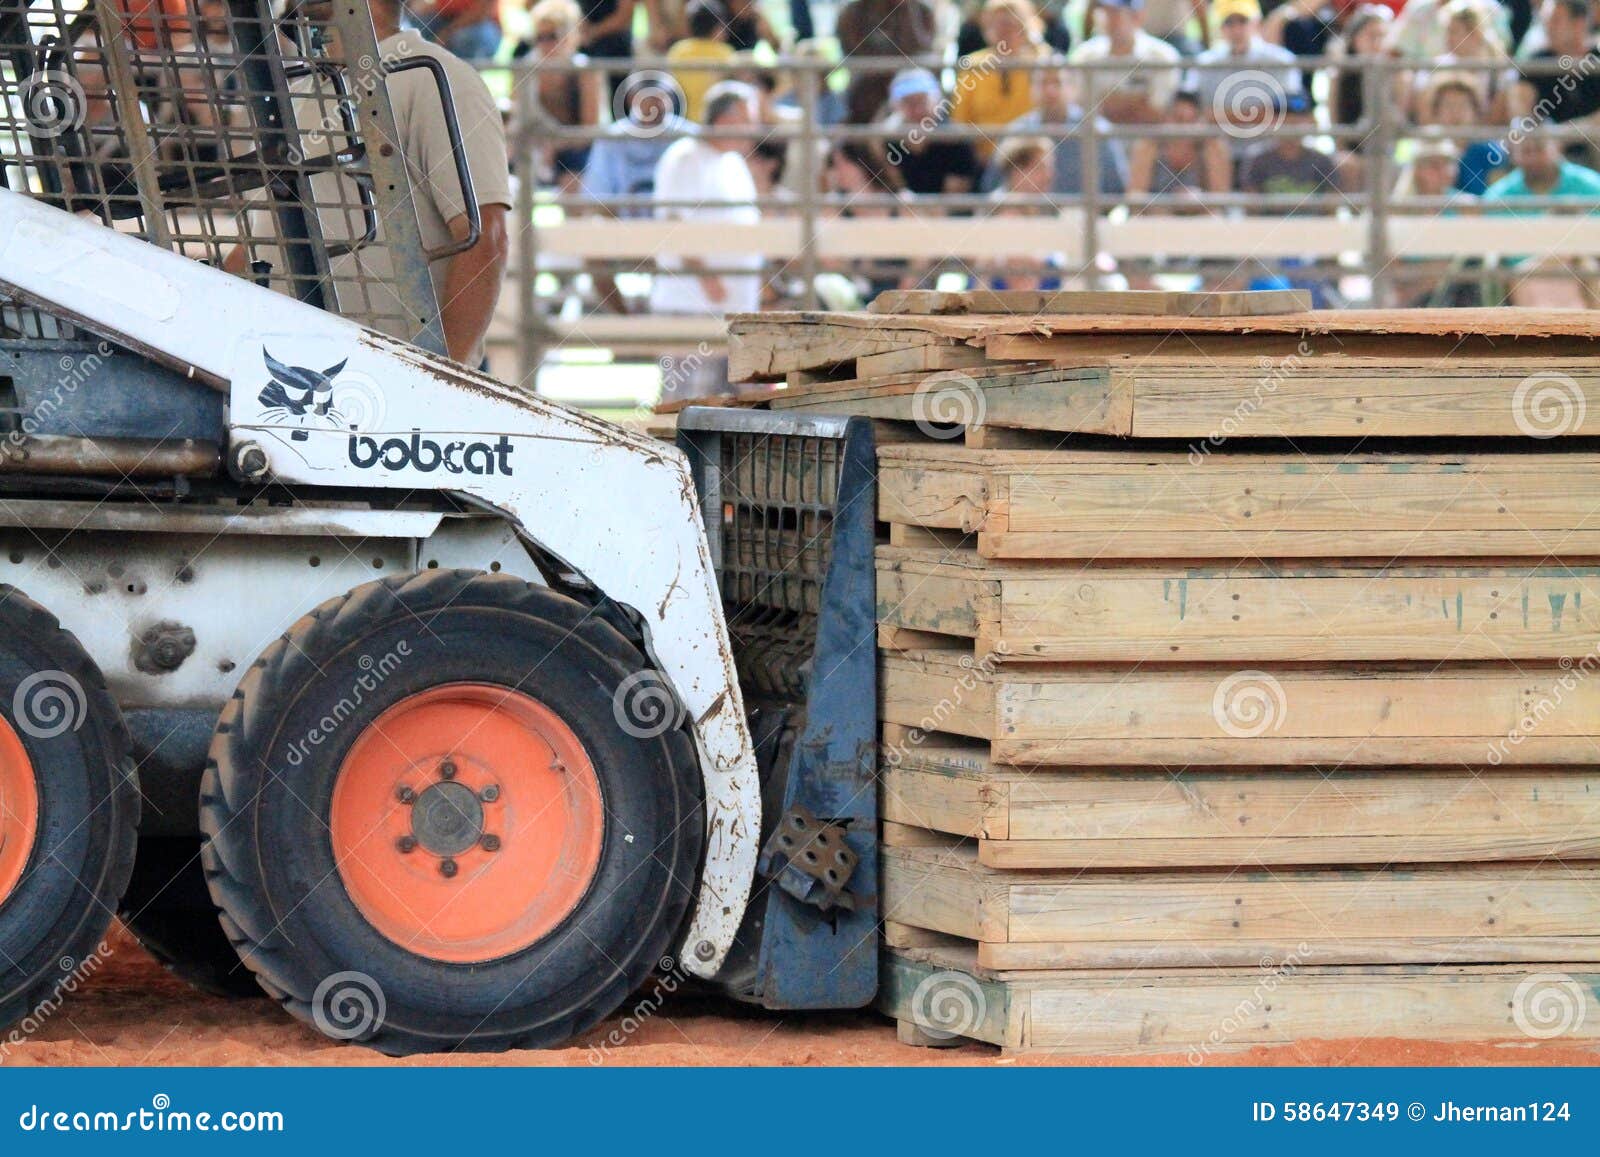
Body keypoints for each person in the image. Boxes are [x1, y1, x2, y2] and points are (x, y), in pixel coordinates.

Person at [229, 0, 511, 367]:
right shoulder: (295, 94)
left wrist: (445, 382)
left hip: (387, 383)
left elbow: (485, 240)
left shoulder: (435, 75)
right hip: (290, 380)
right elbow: (255, 246)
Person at [650, 82, 763, 319]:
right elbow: (674, 224)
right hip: (690, 305)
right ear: (724, 121)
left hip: (731, 309)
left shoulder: (734, 163)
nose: (754, 129)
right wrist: (708, 279)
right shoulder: (686, 158)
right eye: (748, 120)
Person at [1483, 131, 1600, 304]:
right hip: (1523, 277)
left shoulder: (1591, 185)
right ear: (1514, 155)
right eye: (1525, 151)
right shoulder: (1498, 196)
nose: (1533, 157)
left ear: (1557, 148)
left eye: (1539, 149)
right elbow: (1493, 248)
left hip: (1584, 269)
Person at [979, 60, 1129, 197]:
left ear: (1073, 88)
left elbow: (1116, 189)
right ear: (1032, 90)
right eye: (1043, 83)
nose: (1050, 91)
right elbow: (993, 187)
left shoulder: (1096, 131)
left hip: (1083, 220)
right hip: (1026, 220)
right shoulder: (1015, 132)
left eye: (1057, 83)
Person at [1185, 0, 1301, 144]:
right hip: (1220, 145)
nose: (1236, 30)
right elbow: (1193, 111)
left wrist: (1220, 117)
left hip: (1268, 145)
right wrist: (1257, 114)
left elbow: (1293, 108)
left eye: (1242, 21)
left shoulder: (1281, 60)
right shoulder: (1204, 63)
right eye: (1229, 23)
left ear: (1256, 22)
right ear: (1219, 27)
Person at [581, 74, 696, 214]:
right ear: (632, 99)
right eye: (649, 98)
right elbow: (597, 193)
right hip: (623, 226)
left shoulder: (688, 136)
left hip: (677, 224)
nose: (658, 105)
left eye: (663, 97)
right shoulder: (610, 140)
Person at [951, 0, 1050, 160]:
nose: (1004, 30)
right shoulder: (973, 64)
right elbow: (961, 121)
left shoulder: (1041, 61)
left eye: (1011, 24)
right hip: (984, 159)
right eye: (996, 24)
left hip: (1031, 156)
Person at [518, 0, 602, 189]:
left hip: (574, 148)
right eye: (540, 37)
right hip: (534, 144)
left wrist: (554, 147)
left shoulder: (584, 71)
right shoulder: (526, 69)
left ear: (570, 36)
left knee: (571, 178)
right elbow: (518, 119)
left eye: (552, 36)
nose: (546, 44)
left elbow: (589, 131)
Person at [1069, 0, 1182, 125]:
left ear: (1137, 16)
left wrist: (1106, 103)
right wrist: (1134, 102)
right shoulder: (1084, 55)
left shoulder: (1162, 56)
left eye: (1116, 12)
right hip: (1095, 142)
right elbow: (1078, 109)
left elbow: (1158, 112)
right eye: (1105, 11)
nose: (1108, 18)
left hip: (1146, 139)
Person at [1514, 0, 1600, 163]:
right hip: (1546, 151)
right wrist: (1544, 138)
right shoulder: (1535, 62)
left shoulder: (1597, 59)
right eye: (1545, 20)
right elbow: (1521, 113)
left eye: (1556, 20)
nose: (1548, 27)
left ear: (1579, 24)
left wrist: (1564, 134)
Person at [882, 68, 983, 196]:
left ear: (936, 101)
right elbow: (896, 185)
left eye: (922, 101)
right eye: (908, 103)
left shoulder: (955, 138)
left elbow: (956, 191)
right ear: (896, 106)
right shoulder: (889, 139)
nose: (917, 110)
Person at [835, 0, 938, 123]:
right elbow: (853, 52)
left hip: (908, 77)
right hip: (869, 80)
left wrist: (906, 10)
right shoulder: (851, 13)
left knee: (916, 90)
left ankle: (923, 138)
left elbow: (920, 50)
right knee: (864, 96)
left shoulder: (921, 11)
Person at [1237, 91, 1343, 207]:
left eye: (1298, 117)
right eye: (1282, 117)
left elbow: (1331, 208)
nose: (1290, 122)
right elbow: (1251, 208)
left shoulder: (1322, 160)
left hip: (1313, 223)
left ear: (1310, 120)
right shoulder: (1257, 159)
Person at [1127, 87, 1231, 201]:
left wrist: (1197, 202)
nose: (1184, 129)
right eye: (1178, 119)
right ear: (1165, 119)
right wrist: (1166, 208)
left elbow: (1220, 204)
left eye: (1191, 121)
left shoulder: (1213, 148)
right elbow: (1135, 200)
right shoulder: (1148, 146)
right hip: (1157, 216)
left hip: (1199, 216)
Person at [1419, 73, 1510, 193]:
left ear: (1475, 112)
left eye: (1462, 105)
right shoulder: (1424, 151)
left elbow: (1498, 198)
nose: (1455, 113)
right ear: (1436, 111)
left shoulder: (1491, 152)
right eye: (1448, 105)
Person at [668, 1, 737, 123]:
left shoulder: (678, 50)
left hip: (683, 121)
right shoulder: (725, 52)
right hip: (715, 122)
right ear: (718, 27)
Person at [412, 0, 502, 59]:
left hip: (481, 27)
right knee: (415, 23)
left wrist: (447, 33)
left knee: (465, 37)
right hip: (446, 20)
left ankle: (462, 80)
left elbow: (481, 13)